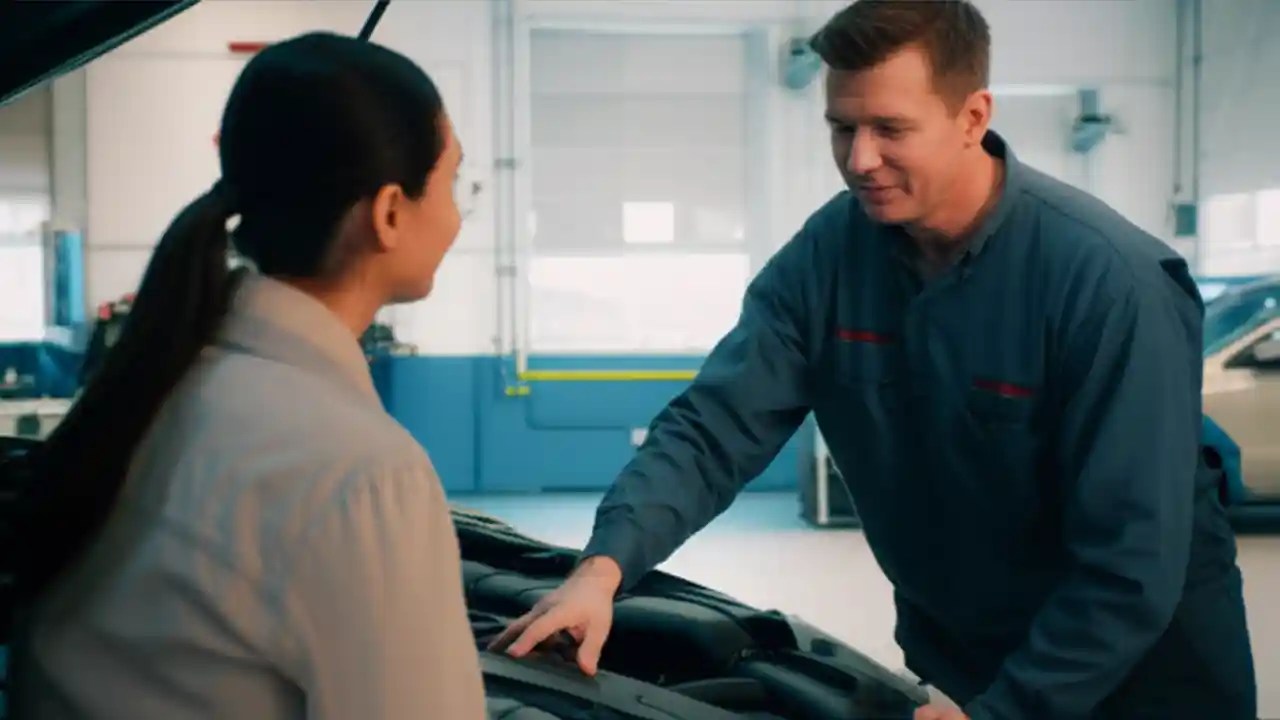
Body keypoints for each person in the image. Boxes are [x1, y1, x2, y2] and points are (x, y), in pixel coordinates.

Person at [492, 1, 1258, 719]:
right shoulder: (831, 254)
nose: (860, 160)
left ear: (973, 117)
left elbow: (1130, 566)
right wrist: (603, 570)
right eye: (841, 128)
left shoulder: (1108, 284)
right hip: (961, 657)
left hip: (1141, 675)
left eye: (890, 128)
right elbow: (714, 428)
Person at [8, 33, 487, 719]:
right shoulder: (361, 472)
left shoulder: (155, 389)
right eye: (452, 183)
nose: (457, 214)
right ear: (387, 213)